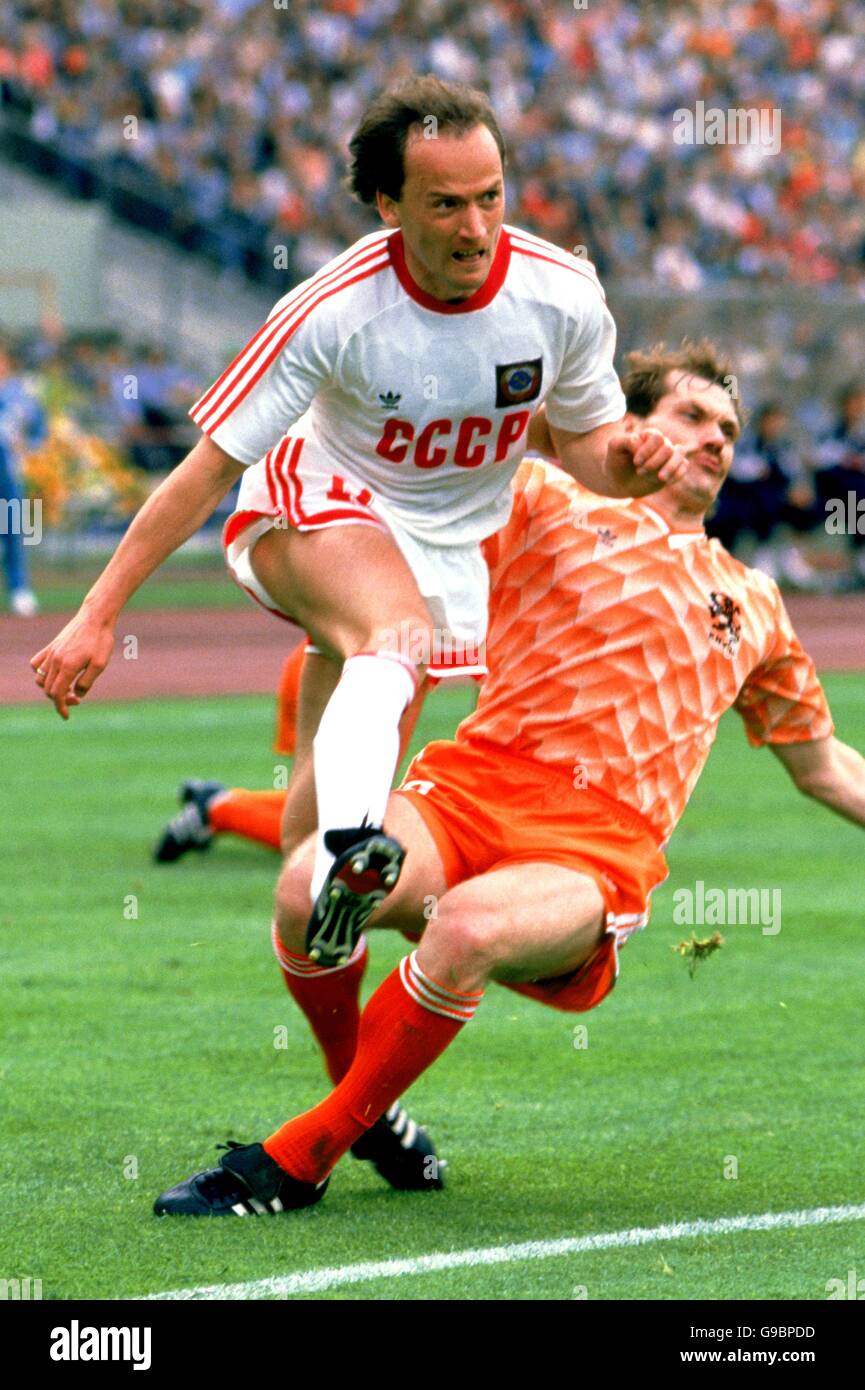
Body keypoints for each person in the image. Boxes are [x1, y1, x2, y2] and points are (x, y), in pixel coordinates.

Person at [153, 338, 865, 1217]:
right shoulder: (541, 496)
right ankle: (362, 1105)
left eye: (727, 428)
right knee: (305, 889)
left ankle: (300, 1157)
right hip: (470, 789)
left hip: (595, 851)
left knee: (466, 928)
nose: (715, 438)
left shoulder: (755, 598)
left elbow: (823, 766)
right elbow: (437, 473)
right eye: (690, 415)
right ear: (628, 422)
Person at [32, 74, 684, 975]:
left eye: (490, 196)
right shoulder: (334, 308)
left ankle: (337, 990)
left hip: (444, 549)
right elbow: (207, 468)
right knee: (394, 638)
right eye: (445, 204)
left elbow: (585, 447)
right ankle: (356, 853)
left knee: (301, 861)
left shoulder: (562, 295)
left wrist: (628, 465)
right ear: (387, 205)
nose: (475, 226)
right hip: (315, 505)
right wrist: (98, 613)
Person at [0, 340, 47, 616]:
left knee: (13, 530)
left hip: (8, 471)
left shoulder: (21, 397)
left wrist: (28, 448)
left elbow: (39, 431)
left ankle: (19, 589)